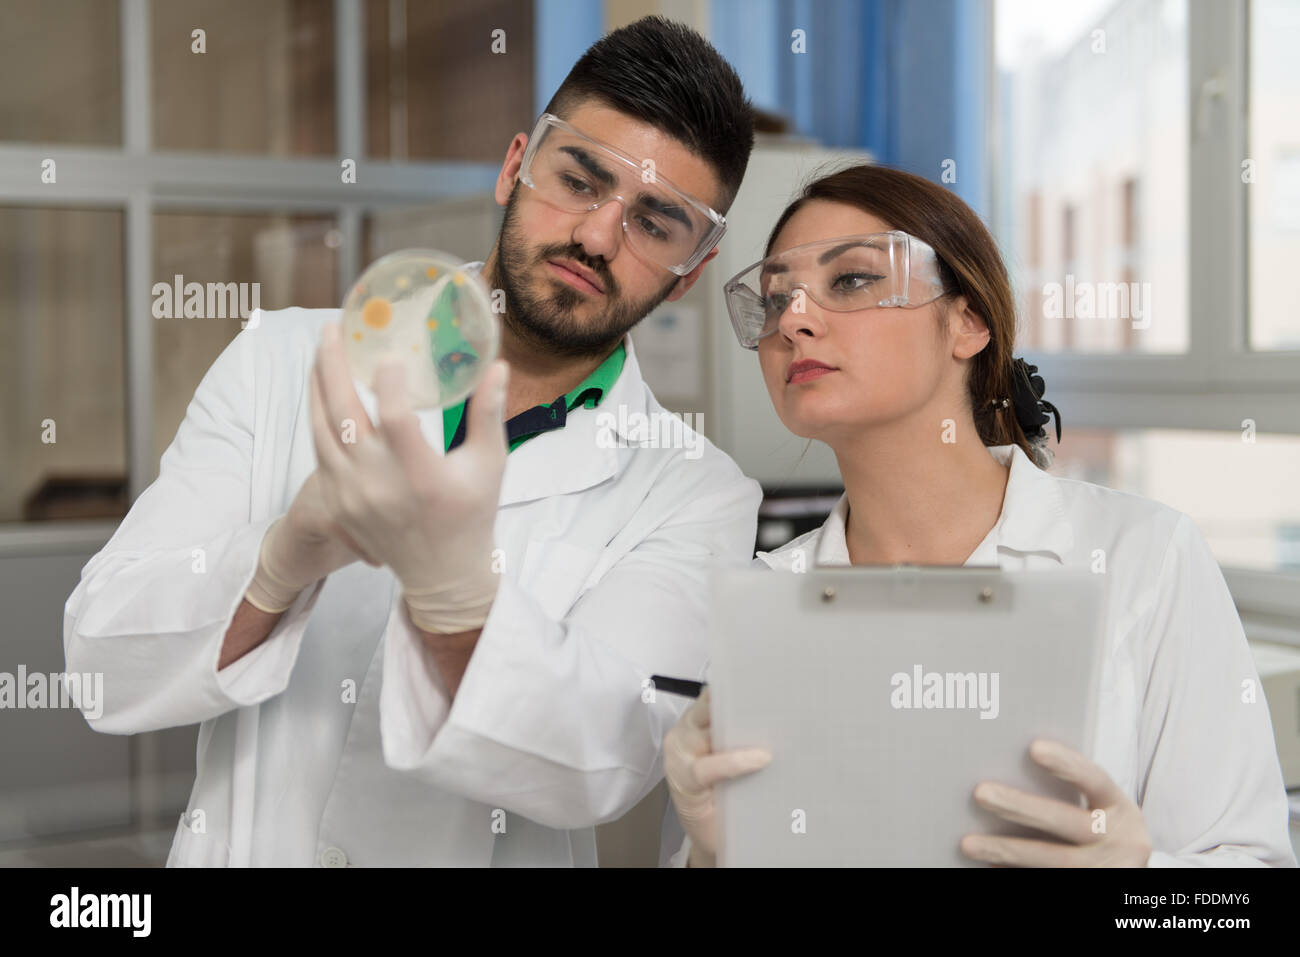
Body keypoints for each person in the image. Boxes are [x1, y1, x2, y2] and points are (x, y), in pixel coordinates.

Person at [64, 16, 762, 867]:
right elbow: (102, 655)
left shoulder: (696, 492)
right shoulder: (285, 358)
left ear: (690, 272)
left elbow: (605, 759)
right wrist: (279, 560)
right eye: (580, 179)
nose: (595, 236)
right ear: (516, 167)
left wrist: (456, 599)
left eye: (656, 223)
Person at [662, 163, 1298, 868]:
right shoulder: (763, 605)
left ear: (969, 322)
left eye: (851, 280)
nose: (793, 320)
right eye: (776, 299)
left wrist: (1137, 878)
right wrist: (713, 856)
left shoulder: (1144, 557)